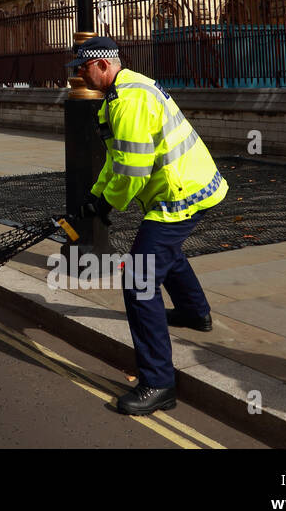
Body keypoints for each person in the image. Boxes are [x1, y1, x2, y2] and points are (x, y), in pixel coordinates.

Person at [69, 36, 228, 417]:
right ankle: (195, 313)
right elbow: (119, 158)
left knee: (139, 279)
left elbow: (134, 168)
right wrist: (97, 195)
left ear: (103, 64)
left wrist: (109, 202)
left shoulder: (128, 101)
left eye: (83, 67)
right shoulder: (124, 92)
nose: (79, 75)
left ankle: (159, 383)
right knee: (164, 252)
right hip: (190, 185)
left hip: (179, 194)